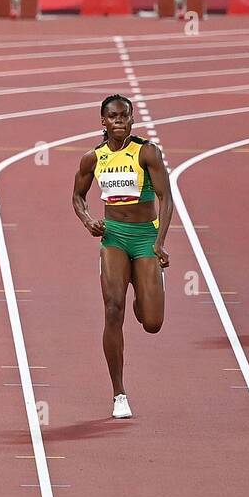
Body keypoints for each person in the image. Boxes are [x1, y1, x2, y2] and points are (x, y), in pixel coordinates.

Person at [72, 95, 173, 419]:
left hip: (145, 238)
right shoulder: (93, 158)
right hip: (114, 238)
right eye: (113, 117)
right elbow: (77, 196)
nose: (119, 122)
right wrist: (89, 221)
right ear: (103, 121)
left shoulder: (146, 152)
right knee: (112, 309)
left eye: (125, 117)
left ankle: (144, 297)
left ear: (131, 119)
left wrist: (159, 242)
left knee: (152, 323)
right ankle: (119, 393)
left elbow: (165, 198)